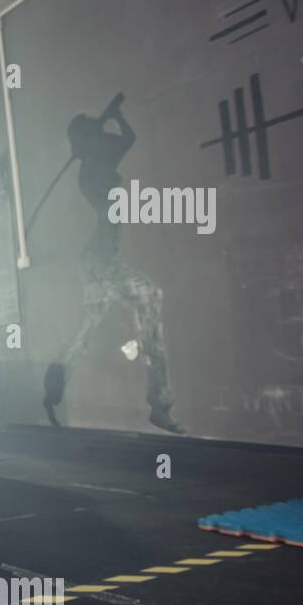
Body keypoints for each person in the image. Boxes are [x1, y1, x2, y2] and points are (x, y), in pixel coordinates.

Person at [43, 98, 186, 435]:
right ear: (85, 143)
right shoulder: (91, 172)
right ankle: (160, 405)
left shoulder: (98, 159)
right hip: (101, 258)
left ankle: (53, 392)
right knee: (149, 300)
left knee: (88, 330)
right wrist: (105, 125)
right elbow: (119, 148)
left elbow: (128, 139)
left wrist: (115, 117)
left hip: (99, 259)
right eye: (92, 135)